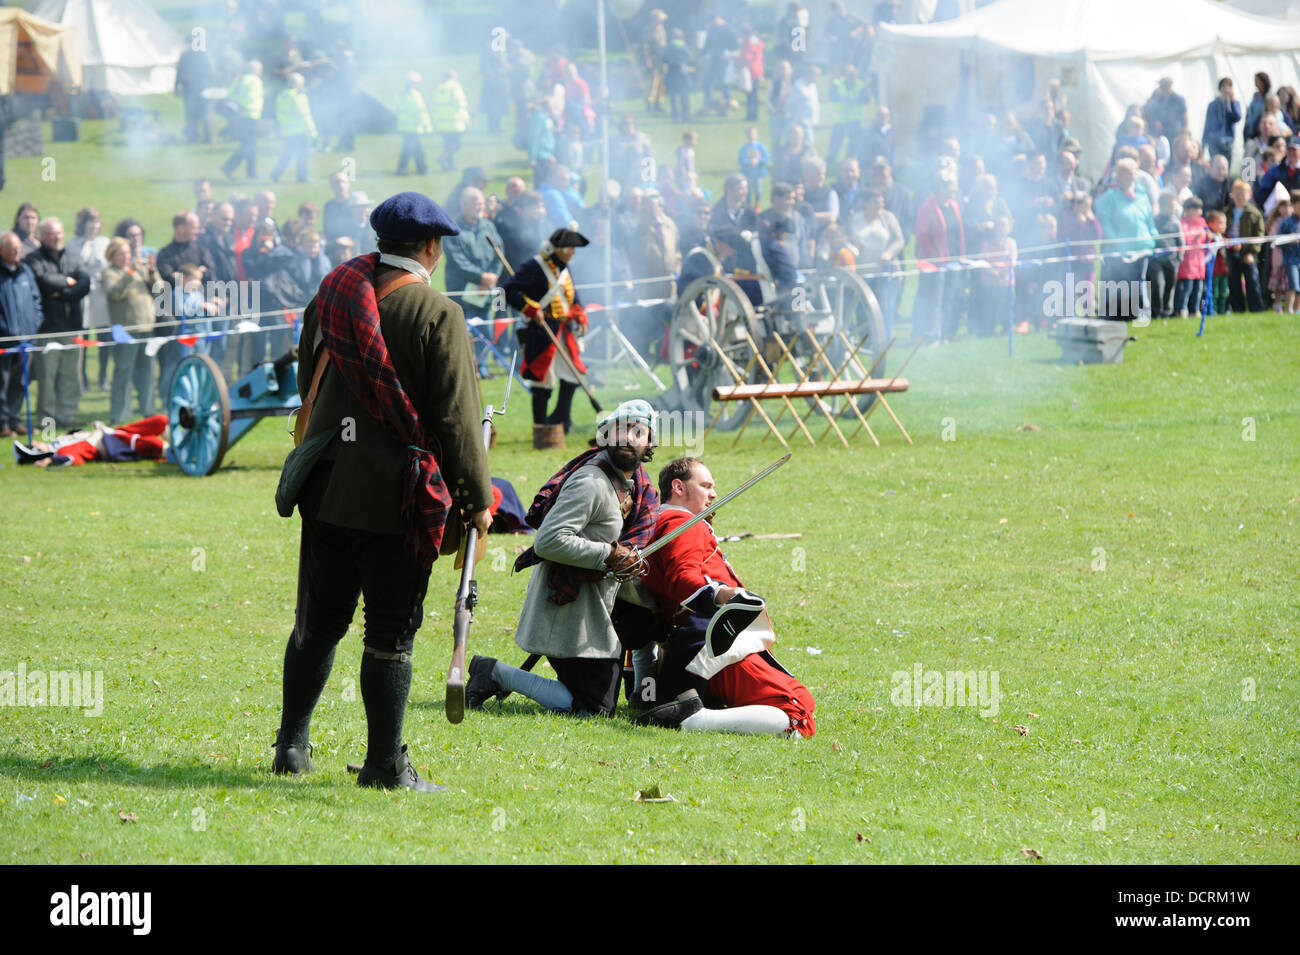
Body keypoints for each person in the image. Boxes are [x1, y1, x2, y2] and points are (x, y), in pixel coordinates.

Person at [272, 191, 492, 792]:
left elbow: (307, 385)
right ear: (430, 248)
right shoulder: (437, 313)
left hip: (326, 492)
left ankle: (291, 747)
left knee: (318, 624)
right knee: (390, 633)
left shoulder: (332, 296)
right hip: (398, 503)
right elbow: (456, 420)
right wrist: (477, 498)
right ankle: (385, 767)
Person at [465, 401, 660, 718]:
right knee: (594, 710)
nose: (627, 437)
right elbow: (548, 542)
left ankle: (644, 693)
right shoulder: (591, 482)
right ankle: (496, 673)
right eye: (619, 429)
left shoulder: (638, 484)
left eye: (638, 431)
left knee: (650, 620)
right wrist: (609, 554)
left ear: (649, 443)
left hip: (602, 606)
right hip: (569, 611)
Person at [636, 457, 816, 735]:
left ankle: (694, 709)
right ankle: (692, 718)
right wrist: (722, 594)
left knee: (800, 700)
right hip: (711, 640)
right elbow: (682, 577)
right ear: (678, 487)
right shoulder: (680, 521)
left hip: (709, 639)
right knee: (797, 714)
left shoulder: (672, 522)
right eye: (705, 485)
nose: (714, 494)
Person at [502, 228, 591, 435]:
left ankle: (562, 419)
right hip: (542, 330)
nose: (574, 253)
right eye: (571, 248)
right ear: (559, 249)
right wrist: (530, 308)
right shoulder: (535, 266)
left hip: (564, 329)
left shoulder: (564, 269)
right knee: (543, 379)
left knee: (571, 374)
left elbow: (573, 297)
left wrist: (581, 315)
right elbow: (508, 290)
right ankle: (541, 427)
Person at [26, 218, 90, 428]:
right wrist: (68, 282)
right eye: (52, 234)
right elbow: (43, 281)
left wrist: (61, 292)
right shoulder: (34, 258)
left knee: (71, 375)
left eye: (59, 233)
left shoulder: (72, 257)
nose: (56, 237)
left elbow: (84, 283)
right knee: (48, 377)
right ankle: (47, 419)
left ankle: (67, 415)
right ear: (42, 236)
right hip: (47, 329)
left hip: (72, 327)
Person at [442, 187, 503, 378]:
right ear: (464, 204)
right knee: (464, 332)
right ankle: (466, 370)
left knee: (485, 330)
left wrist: (491, 277)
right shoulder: (453, 228)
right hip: (462, 291)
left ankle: (482, 367)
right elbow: (457, 260)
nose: (478, 206)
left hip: (485, 291)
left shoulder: (488, 226)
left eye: (480, 203)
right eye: (474, 203)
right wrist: (481, 277)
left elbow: (499, 252)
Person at [102, 236, 158, 423]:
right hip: (124, 329)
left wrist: (152, 272)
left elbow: (159, 290)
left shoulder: (141, 270)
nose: (126, 257)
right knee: (123, 371)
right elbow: (114, 294)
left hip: (146, 326)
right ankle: (119, 414)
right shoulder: (110, 273)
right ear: (112, 255)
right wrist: (129, 272)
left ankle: (148, 409)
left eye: (127, 253)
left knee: (148, 371)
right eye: (121, 253)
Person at [1095, 158, 1157, 321]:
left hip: (1142, 246)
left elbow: (1148, 218)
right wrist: (1113, 239)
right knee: (1117, 281)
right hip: (1118, 249)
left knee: (1139, 281)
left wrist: (1153, 234)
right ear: (1118, 175)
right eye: (1125, 173)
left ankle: (1139, 314)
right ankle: (1113, 315)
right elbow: (1104, 219)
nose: (1129, 176)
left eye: (1132, 173)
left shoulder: (1142, 195)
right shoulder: (1109, 197)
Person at [0, 231, 42, 437]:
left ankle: (15, 421)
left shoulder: (25, 271)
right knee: (2, 383)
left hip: (26, 340)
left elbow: (36, 301)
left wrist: (34, 325)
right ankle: (2, 425)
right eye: (11, 247)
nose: (17, 251)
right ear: (1, 250)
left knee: (20, 382)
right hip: (4, 341)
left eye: (18, 247)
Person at [13, 415, 168, 468]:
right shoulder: (61, 451)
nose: (35, 442)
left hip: (115, 432)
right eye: (32, 446)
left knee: (161, 421)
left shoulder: (59, 441)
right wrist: (50, 460)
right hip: (114, 445)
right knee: (156, 445)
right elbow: (72, 459)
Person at [1223, 178, 1265, 313]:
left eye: (1243, 193)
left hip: (1248, 254)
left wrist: (1251, 253)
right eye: (1237, 193)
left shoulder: (1254, 213)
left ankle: (1256, 308)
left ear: (1249, 195)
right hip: (1231, 253)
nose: (1240, 196)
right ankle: (1238, 308)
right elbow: (1223, 231)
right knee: (1234, 282)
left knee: (1252, 281)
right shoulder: (1227, 212)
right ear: (1232, 194)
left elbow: (1259, 235)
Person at [221, 60, 264, 180]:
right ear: (256, 70)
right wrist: (245, 106)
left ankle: (252, 173)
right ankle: (229, 167)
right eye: (260, 70)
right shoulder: (255, 81)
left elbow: (230, 93)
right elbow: (251, 98)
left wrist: (238, 104)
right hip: (251, 116)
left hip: (240, 115)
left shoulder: (239, 79)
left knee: (251, 146)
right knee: (249, 146)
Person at [1175, 196, 1211, 318]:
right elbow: (1182, 239)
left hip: (1200, 261)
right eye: (1195, 208)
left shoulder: (1202, 222)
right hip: (1188, 262)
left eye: (1199, 208)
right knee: (1187, 288)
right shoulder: (1183, 223)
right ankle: (1182, 309)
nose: (1198, 211)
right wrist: (1193, 238)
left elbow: (1207, 236)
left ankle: (1195, 310)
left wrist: (1208, 236)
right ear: (1187, 210)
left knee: (1199, 288)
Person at [395, 72, 433, 176]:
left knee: (412, 149)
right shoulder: (414, 95)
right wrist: (427, 126)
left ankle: (420, 168)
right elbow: (420, 112)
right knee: (414, 150)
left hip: (404, 127)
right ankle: (418, 169)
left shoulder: (401, 94)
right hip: (413, 127)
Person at [432, 70, 470, 172]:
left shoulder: (440, 87)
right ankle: (443, 158)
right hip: (454, 121)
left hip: (442, 122)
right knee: (456, 145)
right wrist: (466, 118)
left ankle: (450, 165)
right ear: (454, 77)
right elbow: (460, 105)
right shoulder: (455, 87)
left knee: (447, 144)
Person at [1203, 77, 1242, 162]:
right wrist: (1204, 142)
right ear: (1220, 89)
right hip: (1214, 141)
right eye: (1223, 86)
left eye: (1228, 87)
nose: (1226, 89)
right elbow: (1207, 124)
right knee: (1215, 164)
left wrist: (1232, 102)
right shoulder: (1213, 104)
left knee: (1226, 166)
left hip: (1227, 142)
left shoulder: (1234, 103)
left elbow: (1237, 117)